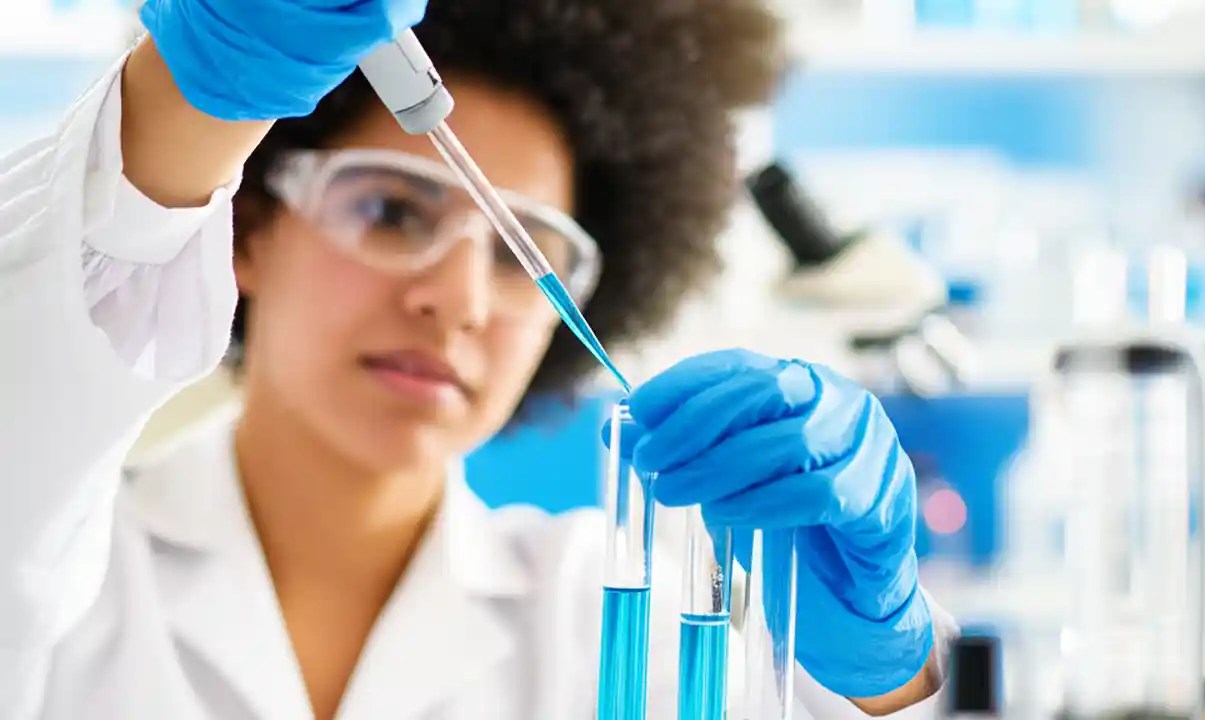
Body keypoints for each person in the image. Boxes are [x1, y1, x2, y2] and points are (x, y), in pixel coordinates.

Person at [0, 0, 952, 717]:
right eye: (392, 209)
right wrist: (180, 103)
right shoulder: (53, 551)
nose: (454, 301)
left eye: (517, 252)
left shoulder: (610, 609)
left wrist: (883, 682)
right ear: (246, 226)